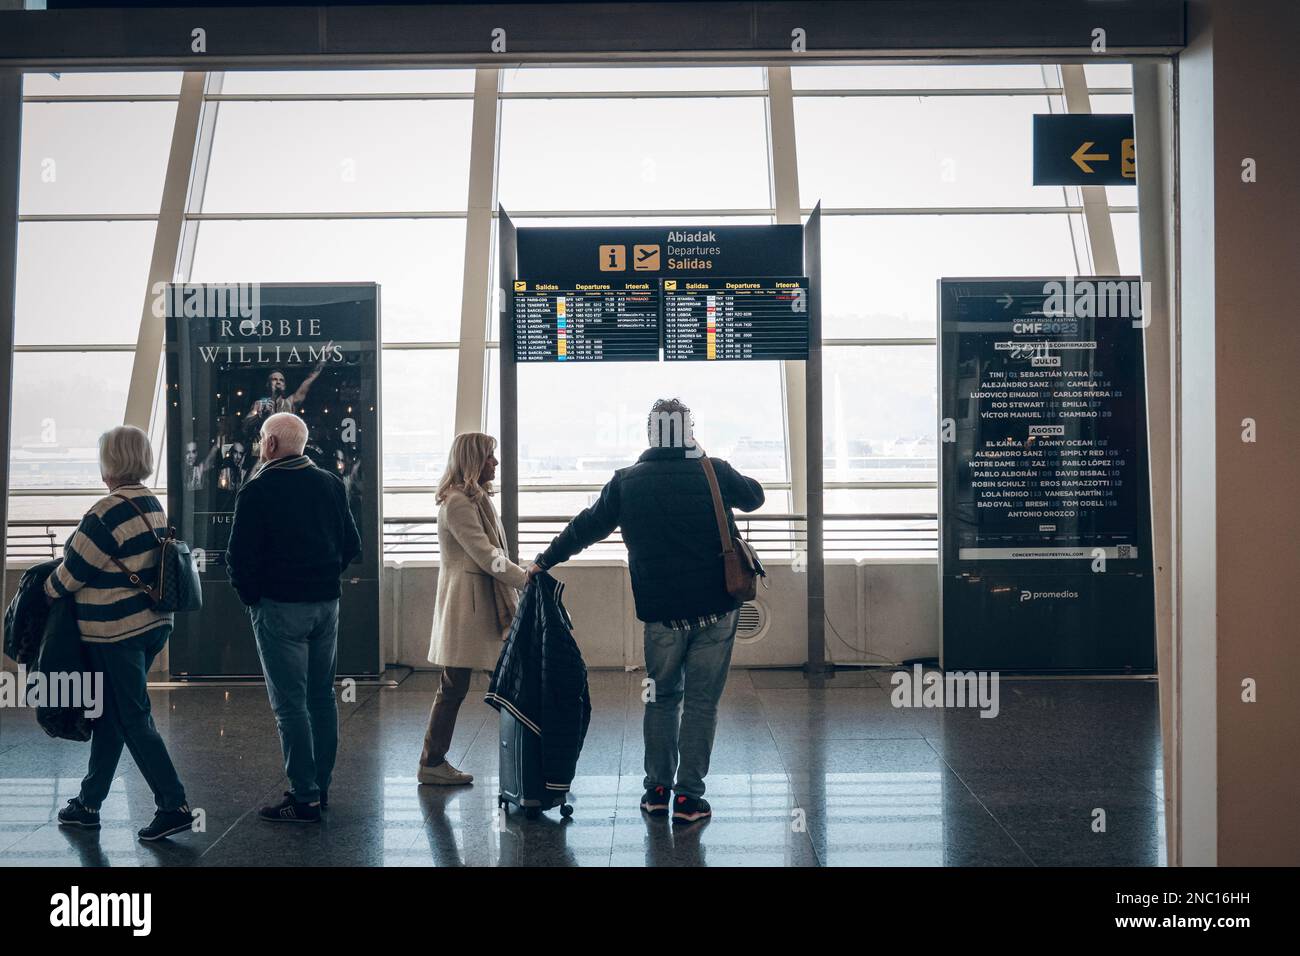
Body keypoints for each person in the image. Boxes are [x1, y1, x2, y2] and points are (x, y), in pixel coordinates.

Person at [528, 398, 763, 824]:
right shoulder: (714, 470)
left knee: (660, 699)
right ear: (688, 431)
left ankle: (657, 790)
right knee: (701, 704)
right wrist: (704, 457)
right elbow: (755, 498)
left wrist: (544, 560)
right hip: (716, 610)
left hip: (662, 616)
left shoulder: (627, 481)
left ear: (649, 433)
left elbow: (586, 526)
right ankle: (690, 799)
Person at [52, 425, 195, 842]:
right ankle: (88, 803)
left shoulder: (105, 512)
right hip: (152, 625)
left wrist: (42, 592)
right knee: (114, 716)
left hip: (116, 632)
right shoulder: (150, 504)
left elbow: (71, 575)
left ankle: (173, 805)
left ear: (109, 463)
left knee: (132, 717)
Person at [226, 412, 361, 823]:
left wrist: (254, 599)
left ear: (269, 445)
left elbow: (239, 559)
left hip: (279, 607)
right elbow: (351, 545)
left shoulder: (256, 490)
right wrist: (323, 577)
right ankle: (320, 788)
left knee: (290, 707)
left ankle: (304, 797)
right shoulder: (331, 484)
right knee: (322, 698)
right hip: (326, 605)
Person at [420, 432, 531, 786]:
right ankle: (433, 761)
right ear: (473, 461)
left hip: (474, 605)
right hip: (470, 608)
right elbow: (486, 555)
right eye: (489, 457)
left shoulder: (473, 499)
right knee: (460, 686)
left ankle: (433, 761)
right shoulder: (460, 503)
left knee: (458, 686)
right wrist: (524, 579)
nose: (495, 463)